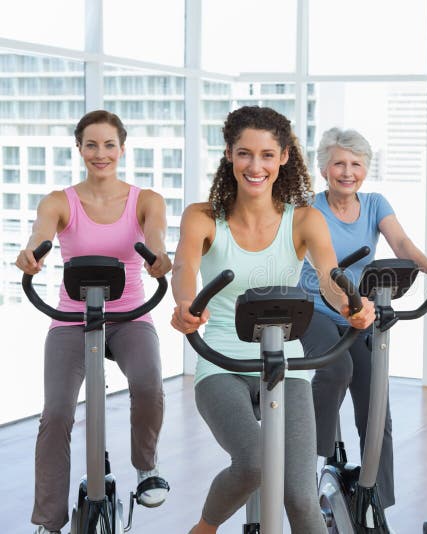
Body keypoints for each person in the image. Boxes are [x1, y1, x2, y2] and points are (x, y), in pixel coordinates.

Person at [170, 107, 374, 534]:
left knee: (301, 496)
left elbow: (328, 278)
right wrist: (186, 304)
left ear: (284, 157)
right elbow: (184, 269)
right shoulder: (203, 216)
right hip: (221, 360)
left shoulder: (303, 219)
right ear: (229, 154)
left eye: (267, 155)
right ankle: (202, 530)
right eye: (245, 154)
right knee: (254, 464)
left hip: (286, 364)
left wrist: (350, 306)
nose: (255, 166)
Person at [16, 110, 171, 534]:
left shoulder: (146, 199)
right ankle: (48, 522)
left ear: (122, 148)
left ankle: (146, 467)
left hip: (130, 315)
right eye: (91, 145)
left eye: (108, 145)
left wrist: (159, 257)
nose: (100, 153)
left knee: (148, 385)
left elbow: (155, 236)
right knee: (57, 413)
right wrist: (33, 254)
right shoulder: (58, 200)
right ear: (80, 148)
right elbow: (40, 235)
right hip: (71, 318)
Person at [298, 127, 427, 511]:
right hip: (316, 308)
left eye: (356, 164)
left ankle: (376, 501)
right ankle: (312, 461)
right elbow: (324, 270)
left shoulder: (374, 203)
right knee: (337, 370)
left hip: (359, 313)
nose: (347, 171)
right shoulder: (308, 208)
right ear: (324, 169)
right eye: (339, 163)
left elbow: (400, 243)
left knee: (375, 401)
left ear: (365, 169)